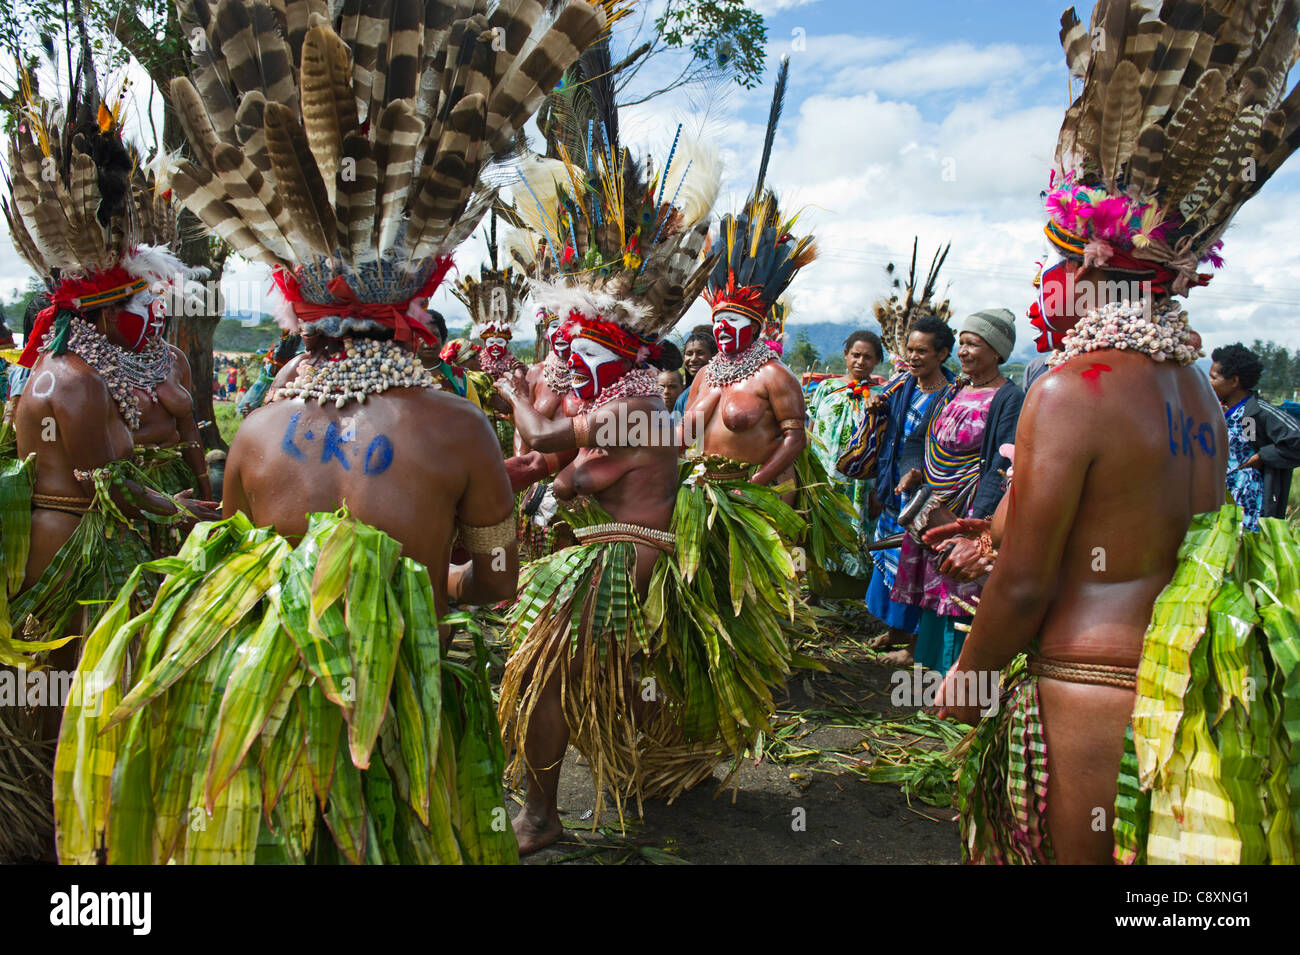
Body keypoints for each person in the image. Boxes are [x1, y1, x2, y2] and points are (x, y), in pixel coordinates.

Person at [52, 0, 611, 864]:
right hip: (401, 711)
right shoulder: (461, 429)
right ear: (418, 297)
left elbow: (236, 578)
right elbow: (497, 587)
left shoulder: (257, 430)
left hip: (267, 729)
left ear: (297, 303)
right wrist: (414, 584)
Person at [943, 0, 1300, 865]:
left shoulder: (1073, 389)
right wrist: (995, 525)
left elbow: (1029, 584)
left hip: (1089, 686)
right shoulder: (1195, 395)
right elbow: (1130, 527)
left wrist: (970, 675)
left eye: (1054, 263)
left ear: (1086, 270)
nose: (1045, 283)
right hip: (1181, 687)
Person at [496, 83, 727, 853]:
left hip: (618, 557)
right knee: (606, 673)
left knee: (546, 677)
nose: (569, 360)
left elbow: (543, 434)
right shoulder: (624, 399)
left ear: (617, 352)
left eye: (580, 352)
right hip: (614, 549)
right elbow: (549, 454)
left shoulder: (629, 405)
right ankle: (656, 764)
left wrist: (504, 378)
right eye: (566, 349)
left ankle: (541, 814)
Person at [1, 74, 220, 863]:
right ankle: (61, 829)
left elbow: (176, 444)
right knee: (66, 689)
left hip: (117, 545)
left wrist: (190, 456)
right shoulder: (69, 379)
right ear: (97, 307)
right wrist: (186, 517)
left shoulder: (137, 363)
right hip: (72, 548)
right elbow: (109, 489)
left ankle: (100, 821)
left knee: (106, 691)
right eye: (140, 301)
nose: (154, 314)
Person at [889, 310, 1022, 671]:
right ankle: (929, 668)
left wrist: (976, 523)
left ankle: (957, 679)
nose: (962, 351)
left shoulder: (1009, 398)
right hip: (932, 507)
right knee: (934, 591)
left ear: (997, 351)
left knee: (961, 591)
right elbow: (917, 440)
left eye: (972, 343)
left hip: (967, 511)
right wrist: (910, 470)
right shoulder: (953, 390)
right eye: (961, 343)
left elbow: (1002, 460)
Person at [839, 315, 955, 655]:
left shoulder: (951, 395)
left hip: (924, 498)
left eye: (922, 351)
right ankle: (895, 633)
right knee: (890, 565)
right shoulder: (901, 386)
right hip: (894, 489)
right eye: (910, 350)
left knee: (916, 570)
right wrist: (875, 406)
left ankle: (915, 646)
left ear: (942, 354)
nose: (914, 357)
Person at [806, 330, 886, 585]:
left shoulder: (883, 395)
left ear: (876, 361)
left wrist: (880, 490)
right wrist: (805, 469)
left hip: (862, 482)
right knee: (822, 527)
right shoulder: (826, 388)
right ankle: (820, 588)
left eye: (868, 357)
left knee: (858, 528)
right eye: (856, 355)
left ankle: (855, 591)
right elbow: (812, 427)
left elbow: (885, 442)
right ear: (845, 355)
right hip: (825, 477)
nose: (860, 362)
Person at [1208, 343, 1300, 529]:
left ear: (1234, 381)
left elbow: (1295, 439)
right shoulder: (1222, 411)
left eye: (1214, 377)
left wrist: (1263, 456)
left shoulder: (1258, 412)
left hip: (1249, 505)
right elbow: (1246, 440)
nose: (1208, 382)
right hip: (1220, 502)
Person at [674, 329, 717, 417]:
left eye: (700, 353)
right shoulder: (683, 399)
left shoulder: (722, 389)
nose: (693, 359)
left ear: (714, 355)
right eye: (689, 354)